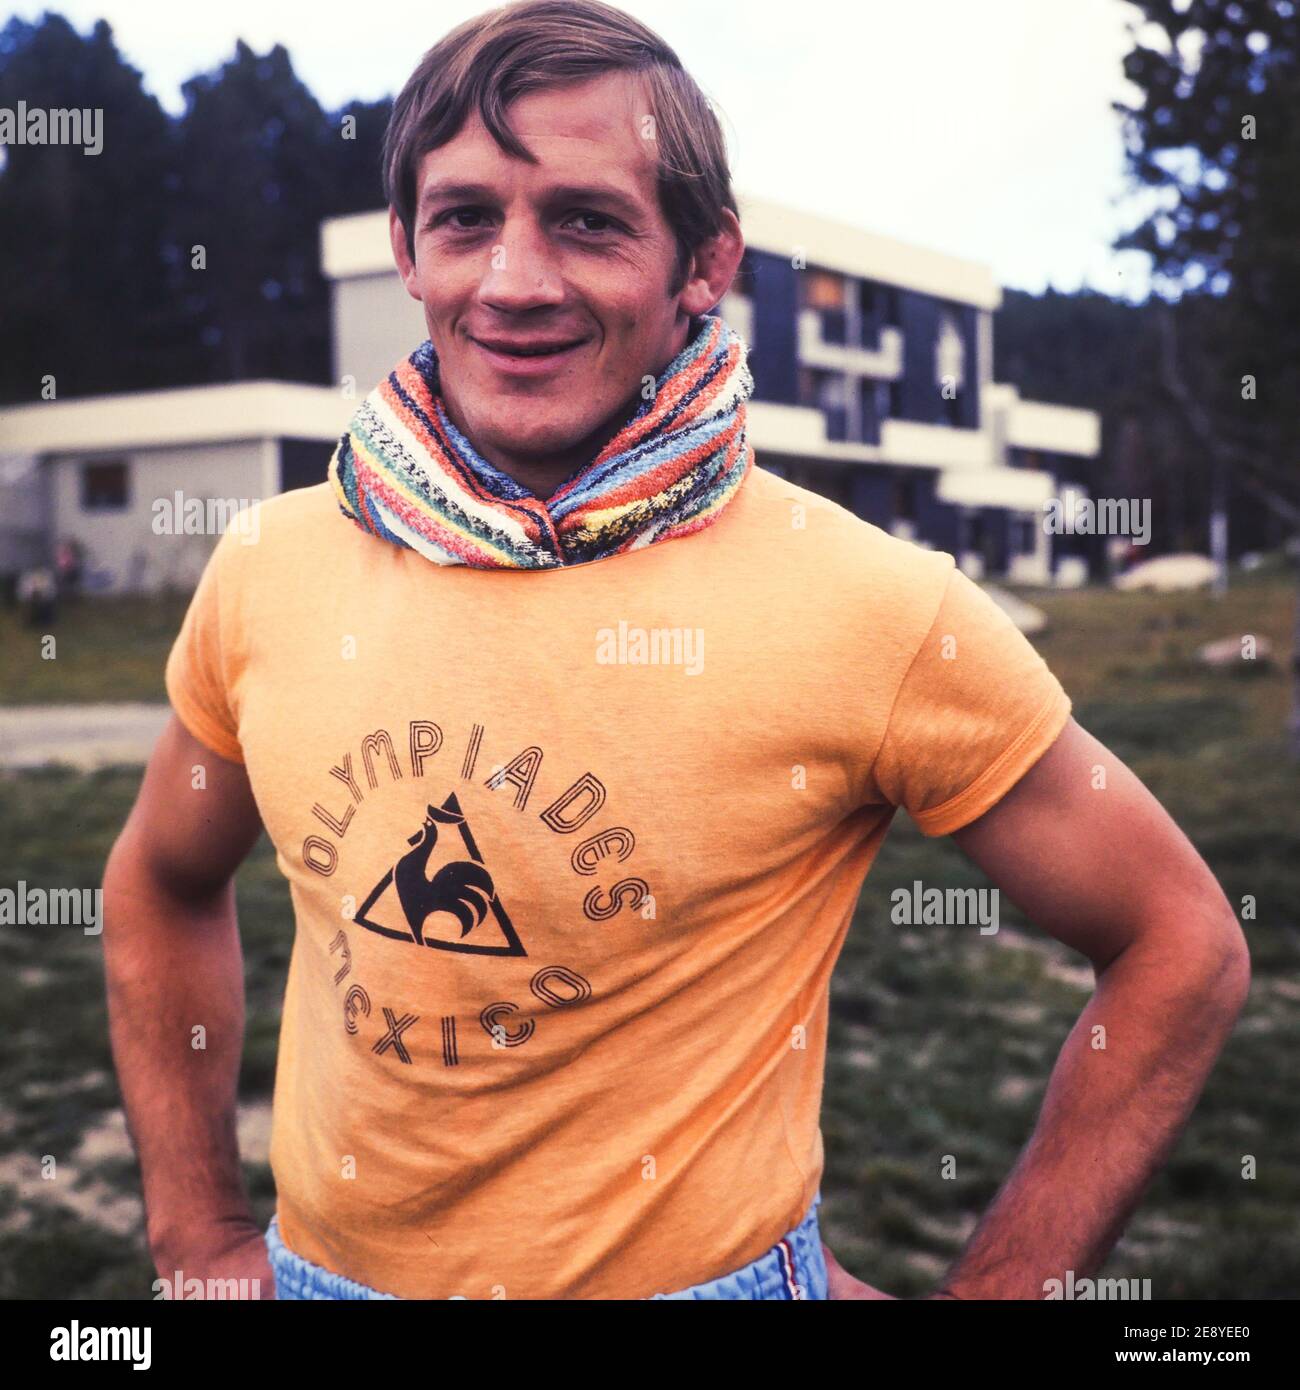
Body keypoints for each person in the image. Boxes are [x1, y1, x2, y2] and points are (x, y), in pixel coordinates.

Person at [102, 0, 1249, 1301]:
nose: (514, 278)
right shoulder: (270, 563)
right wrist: (195, 1238)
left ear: (705, 261)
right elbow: (158, 880)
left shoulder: (871, 604)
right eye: (467, 216)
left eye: (587, 220)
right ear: (406, 250)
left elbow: (1180, 941)